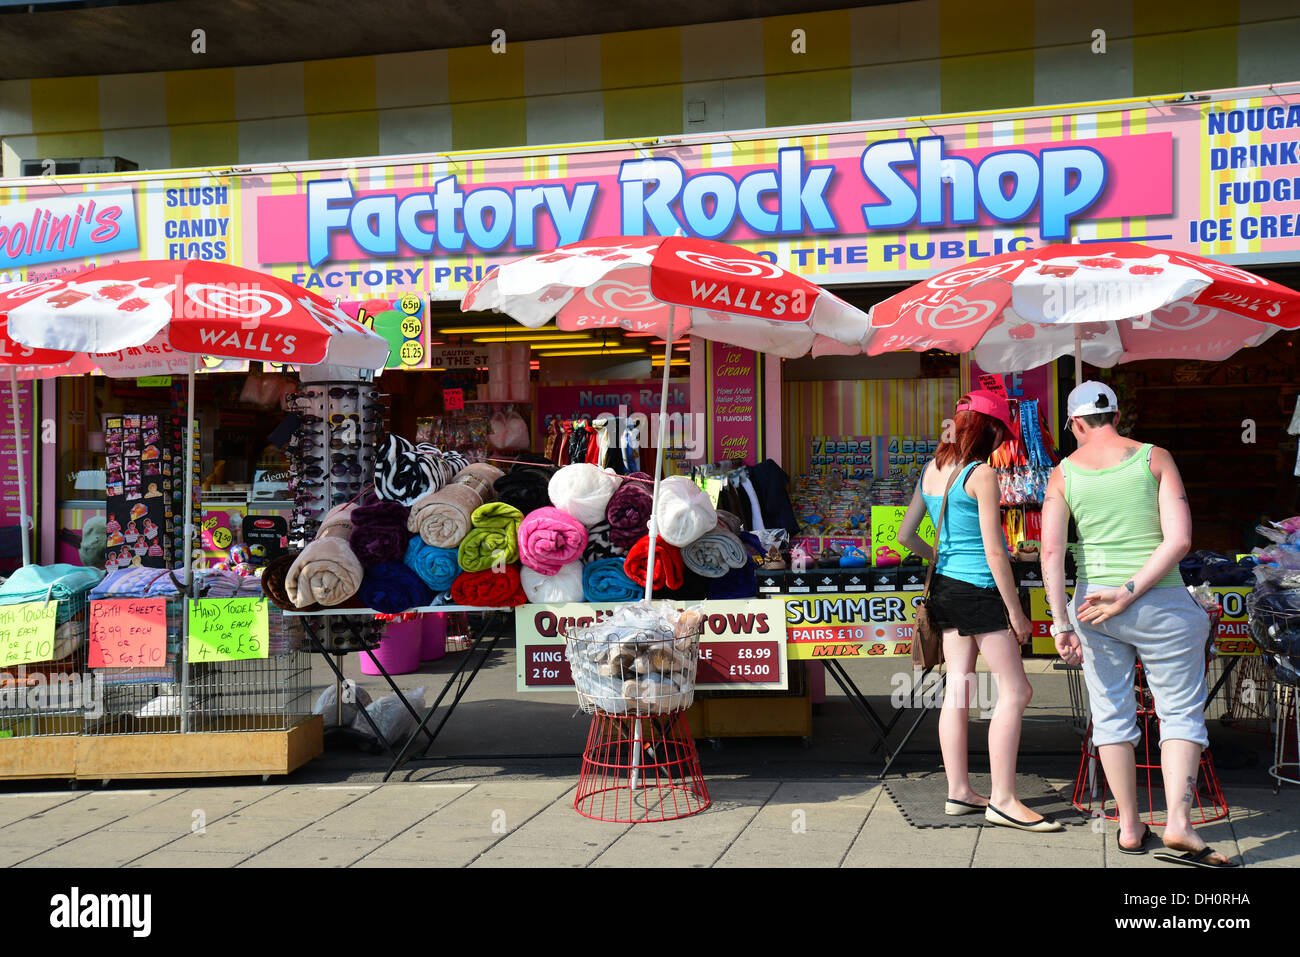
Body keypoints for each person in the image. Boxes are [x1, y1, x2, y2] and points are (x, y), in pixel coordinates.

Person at [1042, 381, 1236, 867]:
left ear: (1077, 424)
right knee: (1180, 714)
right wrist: (1129, 590)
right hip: (1161, 601)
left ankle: (1129, 825)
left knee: (1110, 713)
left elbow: (1050, 552)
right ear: (1116, 415)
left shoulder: (1063, 473)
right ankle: (1178, 823)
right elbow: (1179, 541)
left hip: (1091, 607)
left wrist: (1060, 622)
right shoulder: (1155, 458)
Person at [900, 390, 1060, 832]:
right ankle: (1004, 799)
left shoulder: (932, 470)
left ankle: (959, 792)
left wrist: (941, 556)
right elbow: (994, 551)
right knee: (1017, 691)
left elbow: (905, 534)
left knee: (958, 690)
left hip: (945, 590)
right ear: (987, 431)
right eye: (1000, 434)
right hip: (980, 591)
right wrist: (1017, 613)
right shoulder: (981, 474)